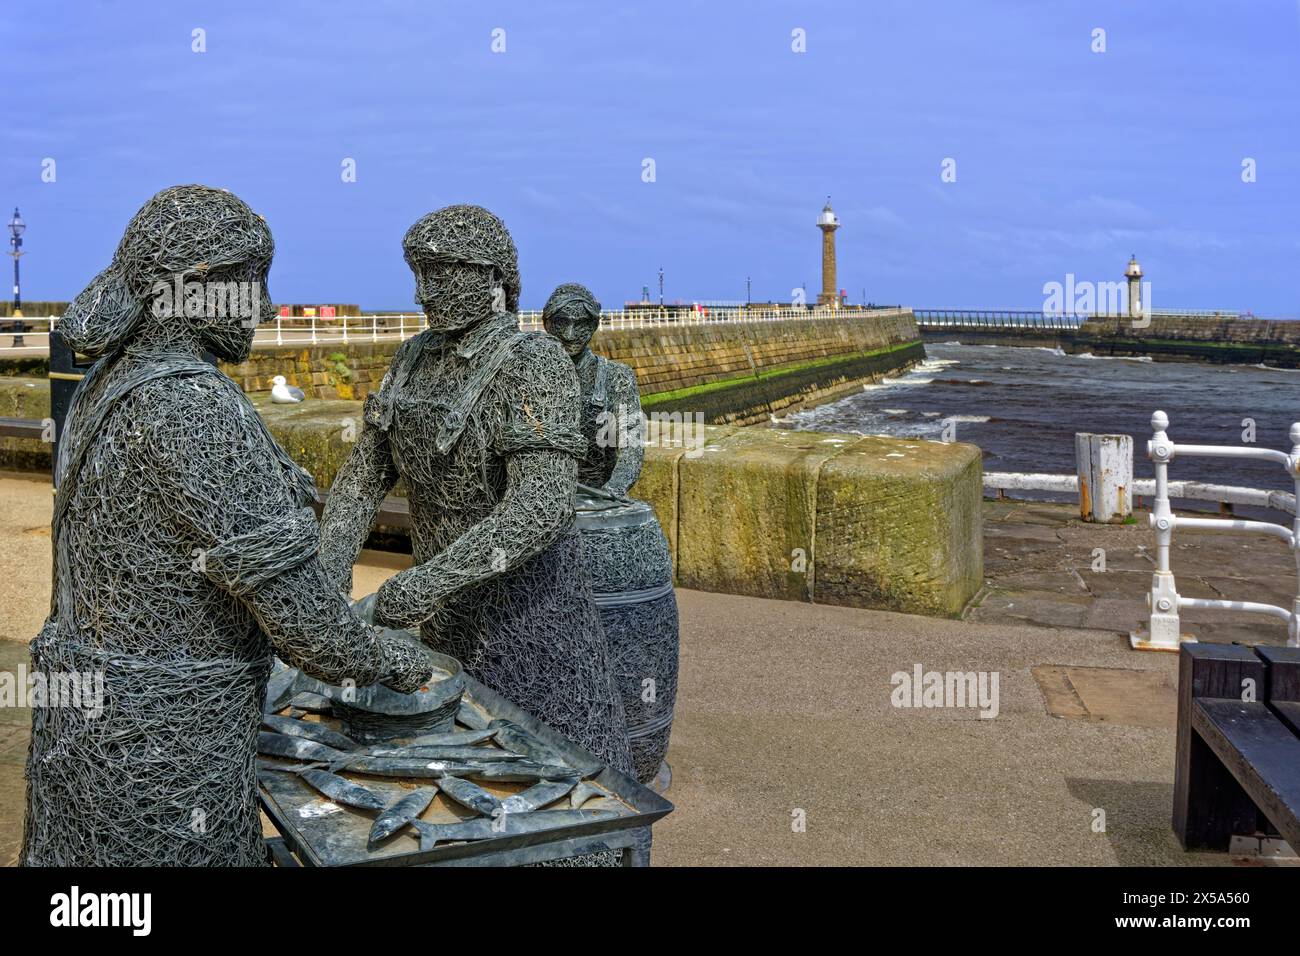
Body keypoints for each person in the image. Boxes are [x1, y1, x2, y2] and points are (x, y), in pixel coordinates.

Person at [22, 185, 435, 867]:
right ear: (202, 289)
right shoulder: (194, 409)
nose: (269, 306)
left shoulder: (111, 379)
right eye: (253, 283)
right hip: (169, 743)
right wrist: (390, 659)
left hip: (93, 727)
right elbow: (309, 631)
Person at [318, 205, 632, 776]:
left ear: (494, 278)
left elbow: (539, 509)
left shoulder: (533, 362)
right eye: (418, 272)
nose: (422, 292)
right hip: (446, 625)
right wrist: (330, 572)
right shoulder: (411, 358)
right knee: (462, 779)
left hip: (532, 625)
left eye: (441, 273)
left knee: (557, 783)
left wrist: (426, 582)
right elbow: (364, 474)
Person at [541, 283, 644, 498]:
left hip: (596, 497)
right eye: (562, 322)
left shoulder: (616, 377)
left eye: (580, 324)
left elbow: (632, 447)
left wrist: (614, 488)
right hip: (542, 497)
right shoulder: (533, 376)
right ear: (548, 324)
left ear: (593, 326)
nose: (570, 334)